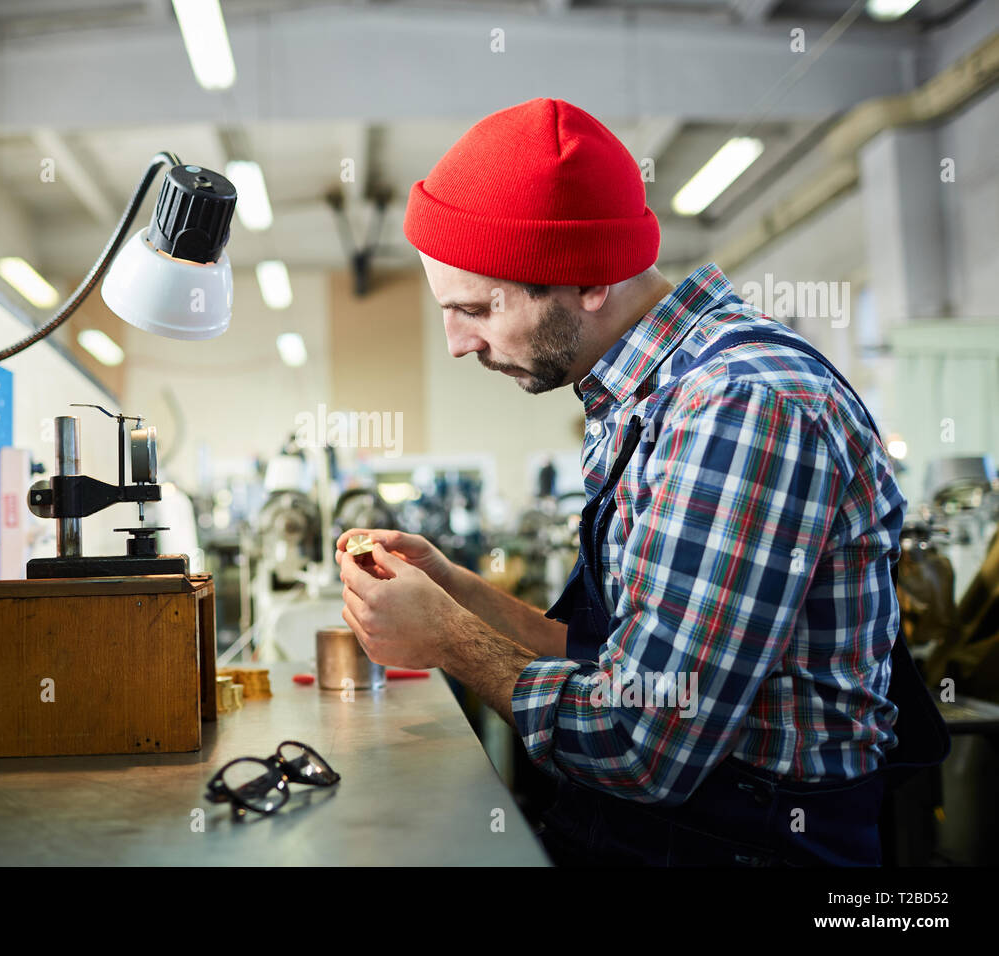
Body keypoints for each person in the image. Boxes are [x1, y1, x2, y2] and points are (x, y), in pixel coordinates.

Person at [335, 98, 947, 866]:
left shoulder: (739, 405)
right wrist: (457, 587)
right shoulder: (648, 398)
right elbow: (621, 662)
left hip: (746, 843)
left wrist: (448, 640)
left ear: (588, 279)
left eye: (477, 308)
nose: (458, 344)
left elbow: (644, 741)